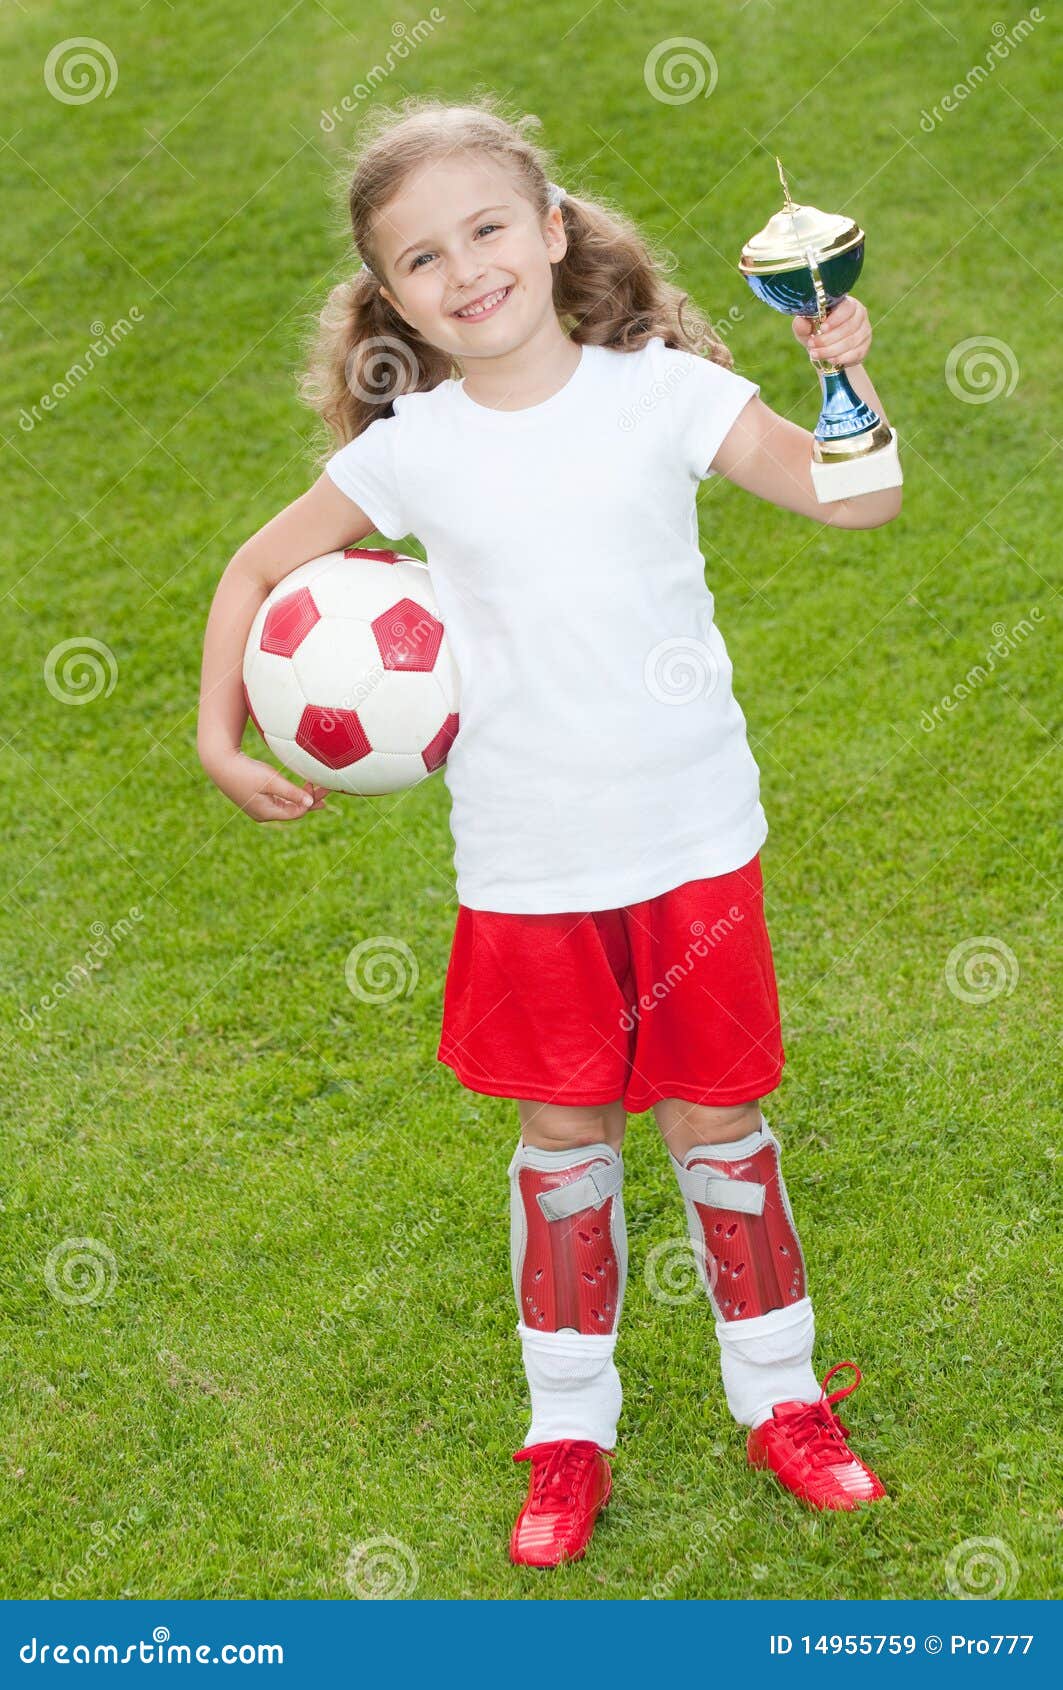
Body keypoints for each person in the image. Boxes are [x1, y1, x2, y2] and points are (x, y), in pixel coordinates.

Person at [197, 93, 901, 1571]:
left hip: (695, 840)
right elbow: (258, 568)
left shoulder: (661, 395)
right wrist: (220, 732)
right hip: (528, 868)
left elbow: (859, 502)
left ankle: (782, 1397)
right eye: (422, 259)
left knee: (721, 1127)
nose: (466, 271)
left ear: (554, 227)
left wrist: (846, 382)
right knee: (562, 1147)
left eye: (488, 229)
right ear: (388, 299)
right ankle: (566, 1431)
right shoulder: (416, 453)